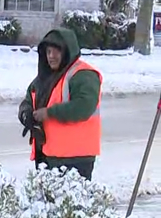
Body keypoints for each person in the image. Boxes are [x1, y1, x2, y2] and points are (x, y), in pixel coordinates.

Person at [18, 27, 102, 181]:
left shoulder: (83, 75)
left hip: (75, 159)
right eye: (48, 52)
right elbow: (28, 100)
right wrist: (26, 114)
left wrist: (48, 113)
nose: (51, 56)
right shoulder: (44, 78)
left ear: (68, 51)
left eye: (57, 51)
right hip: (47, 155)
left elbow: (84, 106)